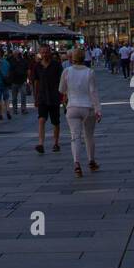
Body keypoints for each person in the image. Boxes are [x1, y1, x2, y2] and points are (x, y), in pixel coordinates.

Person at [58, 47, 99, 177]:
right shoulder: (90, 72)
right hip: (88, 107)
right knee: (89, 136)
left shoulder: (66, 71)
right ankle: (91, 161)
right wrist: (98, 109)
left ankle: (76, 163)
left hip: (72, 107)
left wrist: (68, 92)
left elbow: (61, 89)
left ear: (72, 58)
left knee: (75, 136)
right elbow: (93, 92)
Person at [32, 45, 63, 154]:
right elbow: (36, 82)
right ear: (40, 53)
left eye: (46, 52)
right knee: (41, 119)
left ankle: (56, 143)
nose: (45, 54)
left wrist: (63, 96)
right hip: (42, 97)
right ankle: (41, 143)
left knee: (56, 122)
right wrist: (35, 97)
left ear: (50, 53)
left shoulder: (56, 65)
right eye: (43, 52)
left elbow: (62, 81)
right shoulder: (37, 66)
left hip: (54, 96)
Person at [5, 48, 27, 115]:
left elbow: (26, 69)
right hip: (14, 81)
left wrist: (27, 79)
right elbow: (8, 68)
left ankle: (23, 109)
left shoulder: (23, 61)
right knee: (14, 97)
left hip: (22, 81)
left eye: (17, 54)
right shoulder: (11, 61)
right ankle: (15, 109)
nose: (16, 55)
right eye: (15, 54)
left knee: (23, 94)